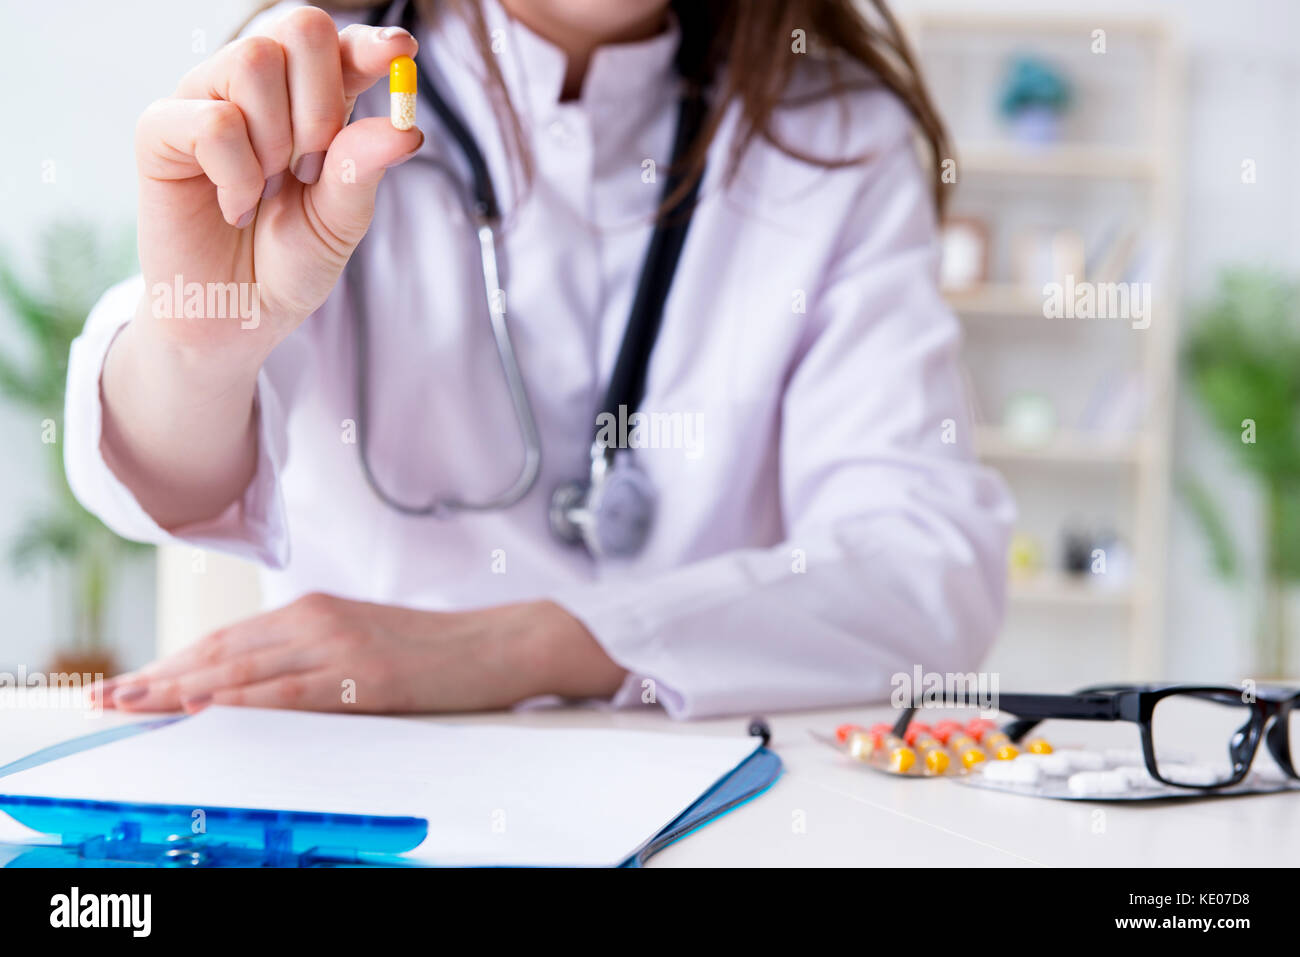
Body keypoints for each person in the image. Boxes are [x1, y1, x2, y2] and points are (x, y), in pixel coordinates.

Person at [70, 0, 1014, 718]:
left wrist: (528, 643)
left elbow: (923, 570)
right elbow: (172, 483)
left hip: (715, 796)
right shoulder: (315, 86)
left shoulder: (838, 134)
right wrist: (200, 341)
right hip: (370, 782)